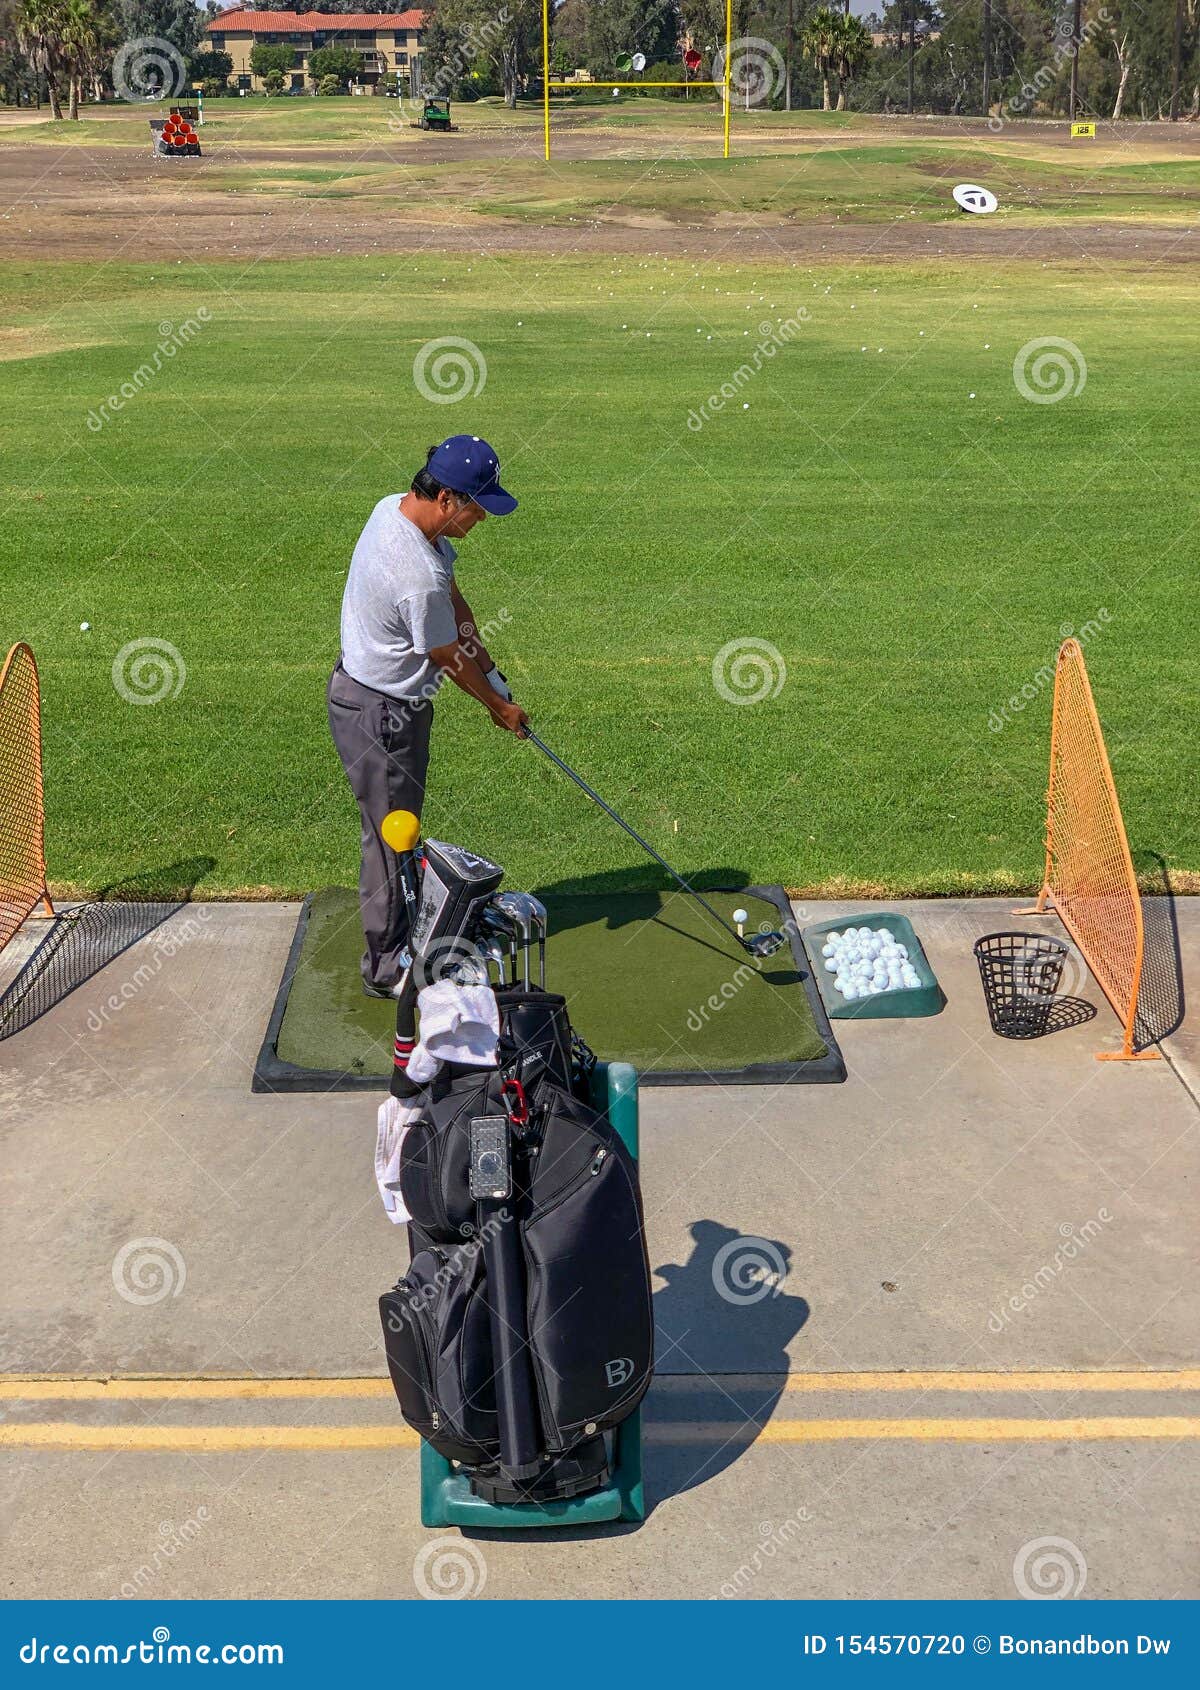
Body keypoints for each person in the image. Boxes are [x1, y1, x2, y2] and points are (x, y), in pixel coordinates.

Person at [328, 435, 528, 997]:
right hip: (380, 714)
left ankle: (402, 937)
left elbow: (455, 602)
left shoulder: (396, 509)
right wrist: (498, 706)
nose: (483, 517)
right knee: (392, 839)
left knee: (396, 833)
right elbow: (444, 655)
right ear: (445, 497)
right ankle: (388, 967)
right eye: (477, 506)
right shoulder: (415, 574)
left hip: (376, 699)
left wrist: (490, 667)